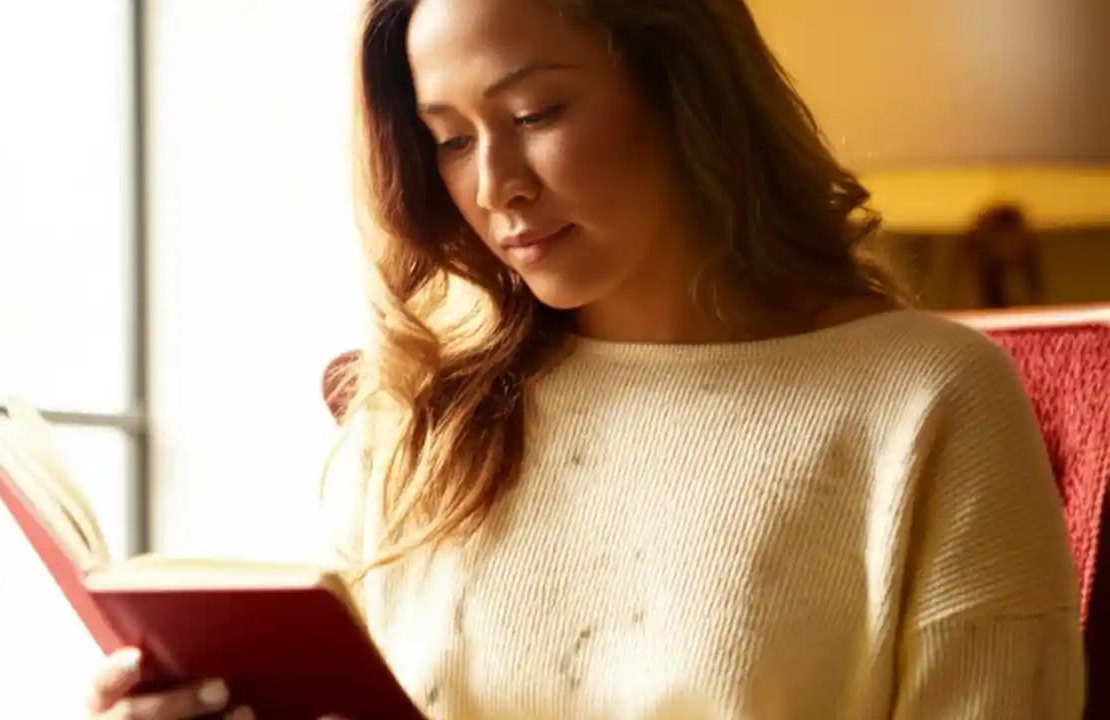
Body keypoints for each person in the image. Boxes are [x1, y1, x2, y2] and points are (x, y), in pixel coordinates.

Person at [86, 0, 1084, 717]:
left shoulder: (924, 400)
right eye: (447, 138)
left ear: (683, 94)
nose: (495, 186)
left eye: (534, 116)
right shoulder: (420, 409)